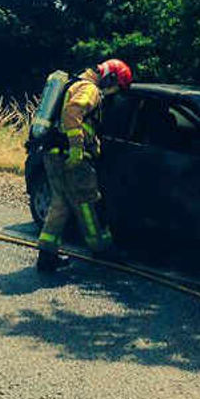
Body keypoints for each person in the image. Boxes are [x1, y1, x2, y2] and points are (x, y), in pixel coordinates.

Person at [36, 58, 132, 273]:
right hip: (72, 157)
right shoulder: (90, 89)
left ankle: (47, 254)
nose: (113, 92)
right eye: (116, 86)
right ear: (110, 78)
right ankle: (102, 249)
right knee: (88, 203)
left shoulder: (75, 83)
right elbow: (73, 112)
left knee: (59, 203)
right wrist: (77, 148)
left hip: (52, 153)